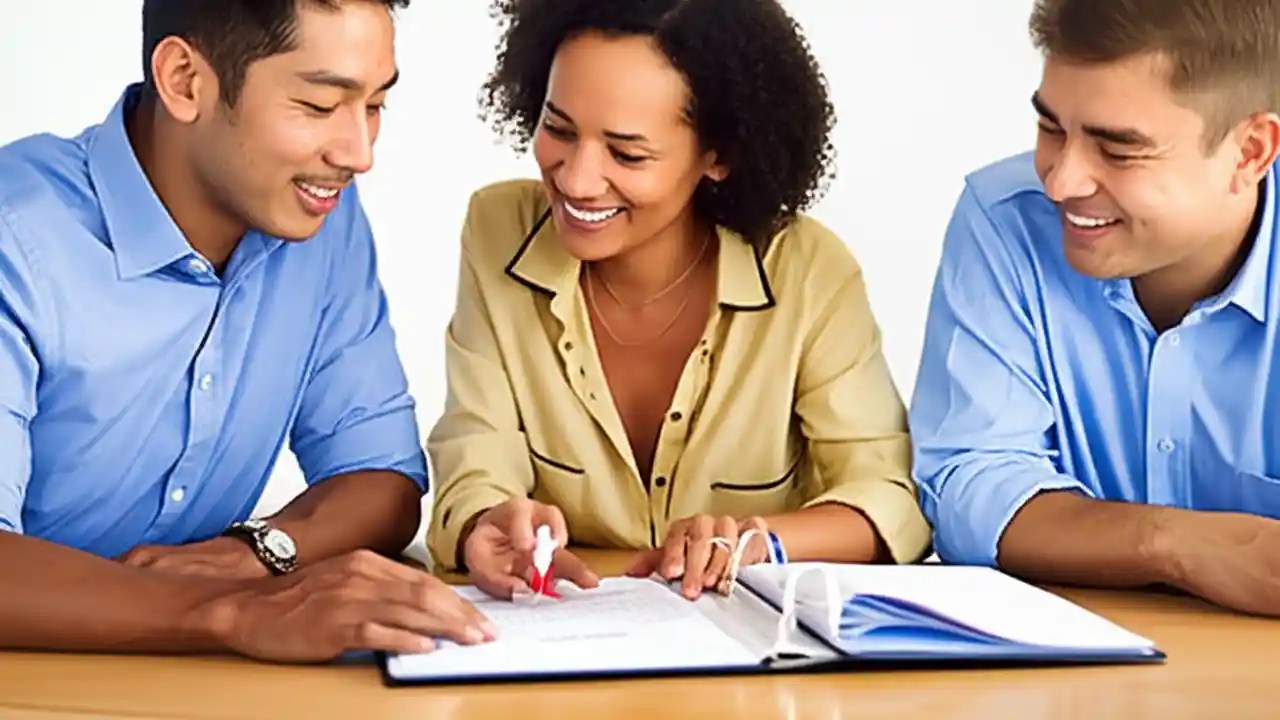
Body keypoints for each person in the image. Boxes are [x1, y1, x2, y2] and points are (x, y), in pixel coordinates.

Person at [0, 0, 494, 661]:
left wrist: (256, 554)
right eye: (320, 106)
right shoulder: (19, 235)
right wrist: (231, 613)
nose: (359, 152)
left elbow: (381, 478)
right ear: (184, 79)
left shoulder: (318, 219)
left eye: (375, 104)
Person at [426, 0, 933, 601]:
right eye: (559, 129)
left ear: (719, 155)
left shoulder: (808, 272)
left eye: (627, 153)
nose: (577, 179)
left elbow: (887, 496)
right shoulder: (497, 230)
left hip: (753, 656)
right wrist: (487, 522)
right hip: (561, 648)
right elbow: (475, 450)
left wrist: (757, 542)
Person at [910, 0, 1280, 616]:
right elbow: (968, 489)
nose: (1060, 182)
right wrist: (1177, 544)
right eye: (1051, 128)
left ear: (1249, 152)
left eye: (1119, 149)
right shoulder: (1004, 220)